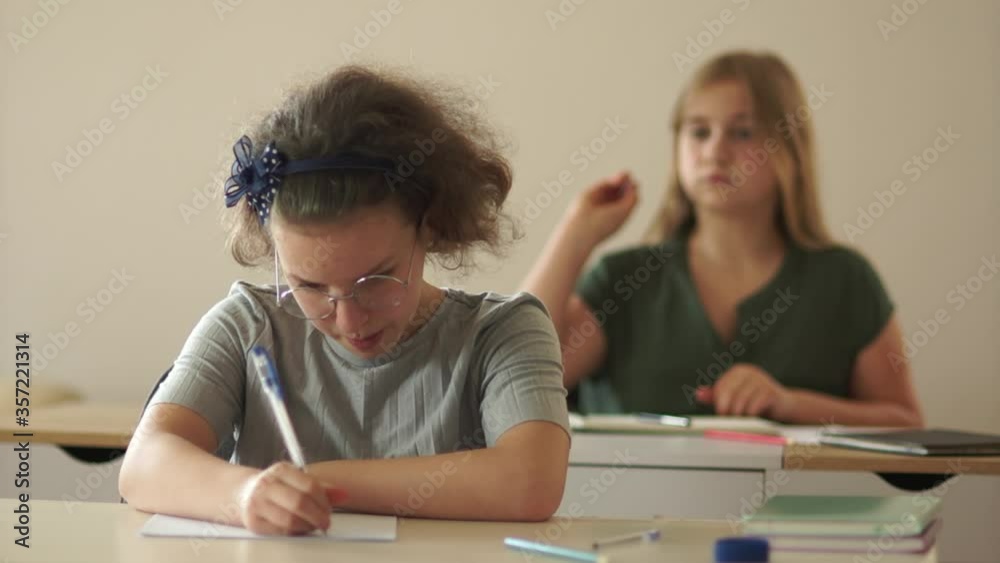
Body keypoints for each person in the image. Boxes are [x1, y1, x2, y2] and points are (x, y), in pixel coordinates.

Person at [119, 66, 570, 535]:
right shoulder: (250, 326)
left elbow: (530, 481)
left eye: (376, 278)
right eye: (310, 286)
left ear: (431, 225)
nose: (349, 318)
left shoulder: (503, 331)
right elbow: (144, 465)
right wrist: (245, 495)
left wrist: (315, 483)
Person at [522, 51, 922, 427]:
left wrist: (789, 404)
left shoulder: (845, 279)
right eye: (698, 131)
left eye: (743, 132)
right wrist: (575, 236)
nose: (715, 150)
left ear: (789, 148)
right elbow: (515, 377)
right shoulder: (624, 279)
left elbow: (905, 424)